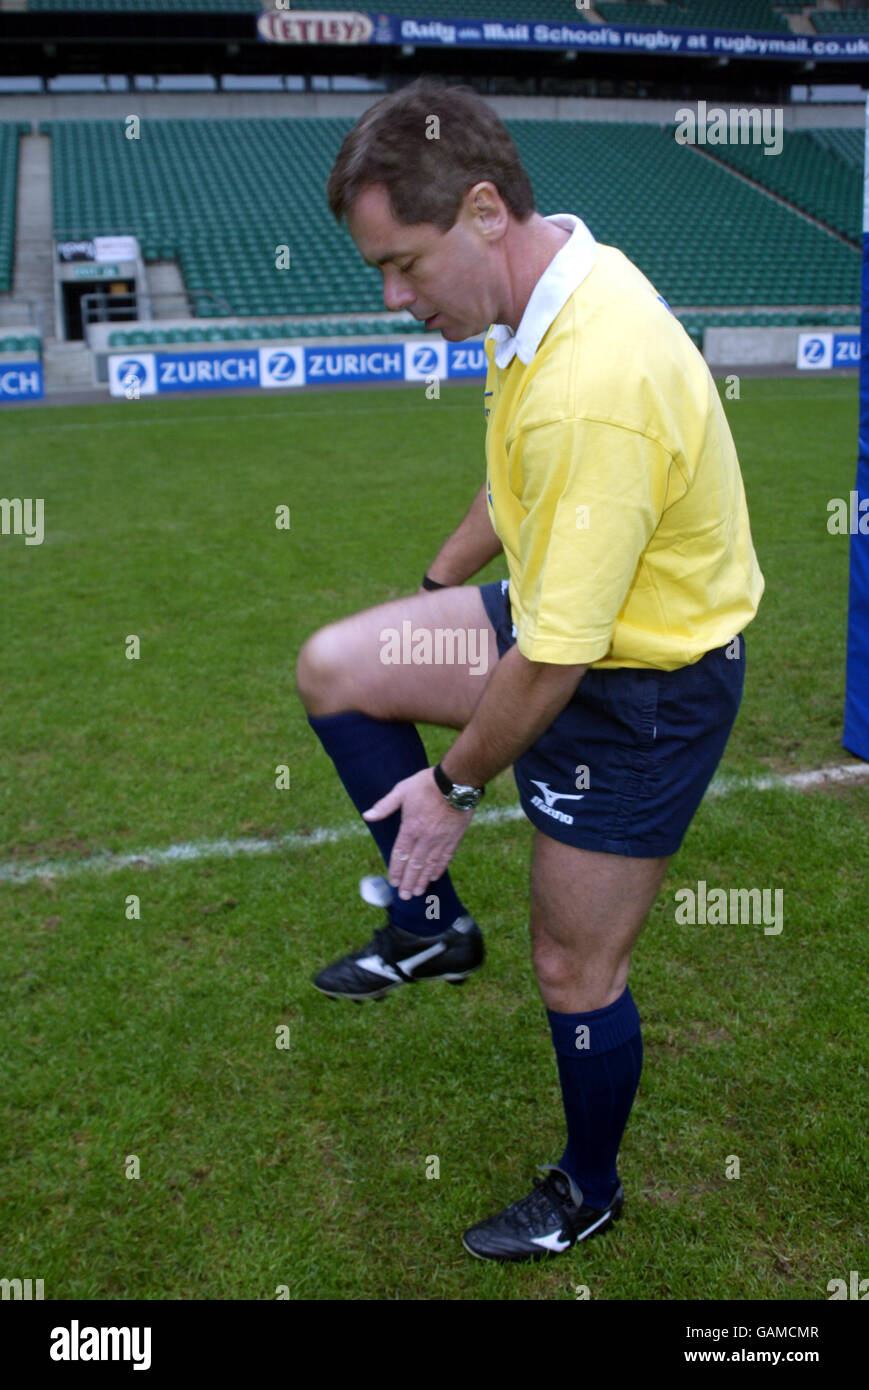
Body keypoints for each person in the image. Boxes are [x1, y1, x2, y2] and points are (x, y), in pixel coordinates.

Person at [295, 78, 764, 1263]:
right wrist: (434, 588)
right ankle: (430, 929)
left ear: (483, 211)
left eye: (403, 265)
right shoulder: (541, 288)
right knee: (338, 666)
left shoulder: (593, 381)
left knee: (571, 965)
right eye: (379, 272)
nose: (394, 297)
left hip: (641, 687)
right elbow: (517, 486)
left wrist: (450, 790)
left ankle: (586, 1189)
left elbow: (554, 657)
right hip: (561, 619)